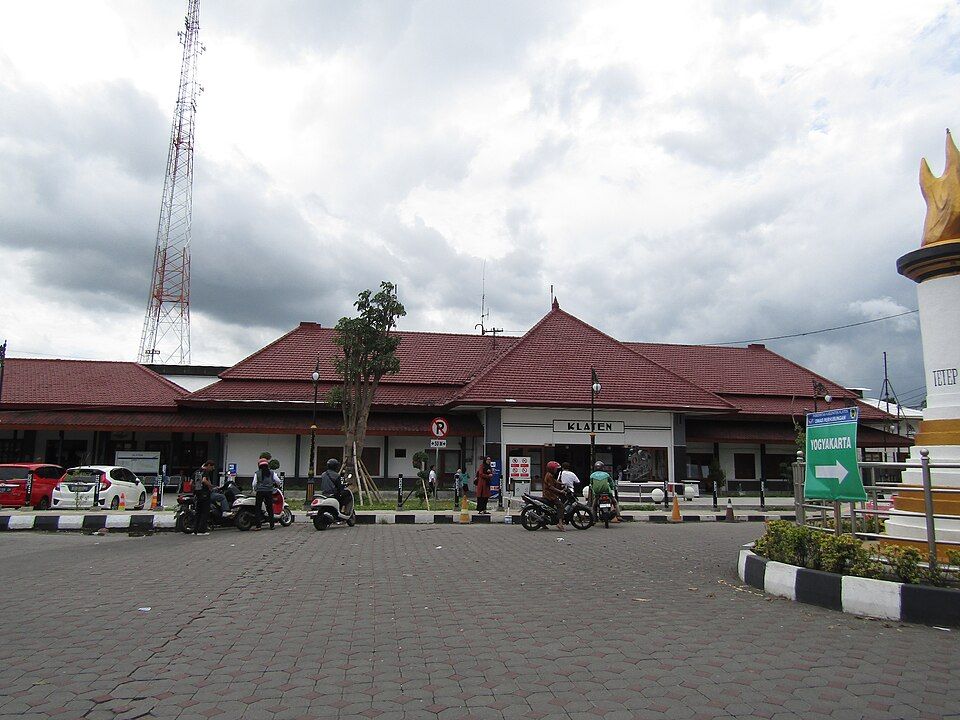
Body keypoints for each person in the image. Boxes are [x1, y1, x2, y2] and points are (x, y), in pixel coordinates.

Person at [253, 458, 280, 530]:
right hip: (269, 491)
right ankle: (272, 525)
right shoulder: (271, 472)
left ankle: (258, 526)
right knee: (270, 508)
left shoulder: (257, 473)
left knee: (258, 508)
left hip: (260, 492)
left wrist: (255, 489)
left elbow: (254, 483)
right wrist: (277, 485)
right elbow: (278, 480)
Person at [543, 460, 566, 531]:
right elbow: (551, 487)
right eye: (555, 469)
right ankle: (560, 523)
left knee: (550, 508)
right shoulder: (549, 475)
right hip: (550, 495)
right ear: (552, 469)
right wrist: (560, 491)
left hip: (549, 494)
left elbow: (554, 481)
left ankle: (543, 523)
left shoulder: (549, 475)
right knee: (561, 506)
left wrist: (562, 483)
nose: (556, 470)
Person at [193, 461, 214, 536]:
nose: (212, 469)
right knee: (205, 512)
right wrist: (210, 486)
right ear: (208, 465)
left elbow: (191, 483)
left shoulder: (197, 471)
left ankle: (195, 530)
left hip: (197, 494)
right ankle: (202, 530)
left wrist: (195, 490)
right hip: (204, 493)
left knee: (198, 512)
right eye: (212, 467)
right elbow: (204, 480)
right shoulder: (205, 471)